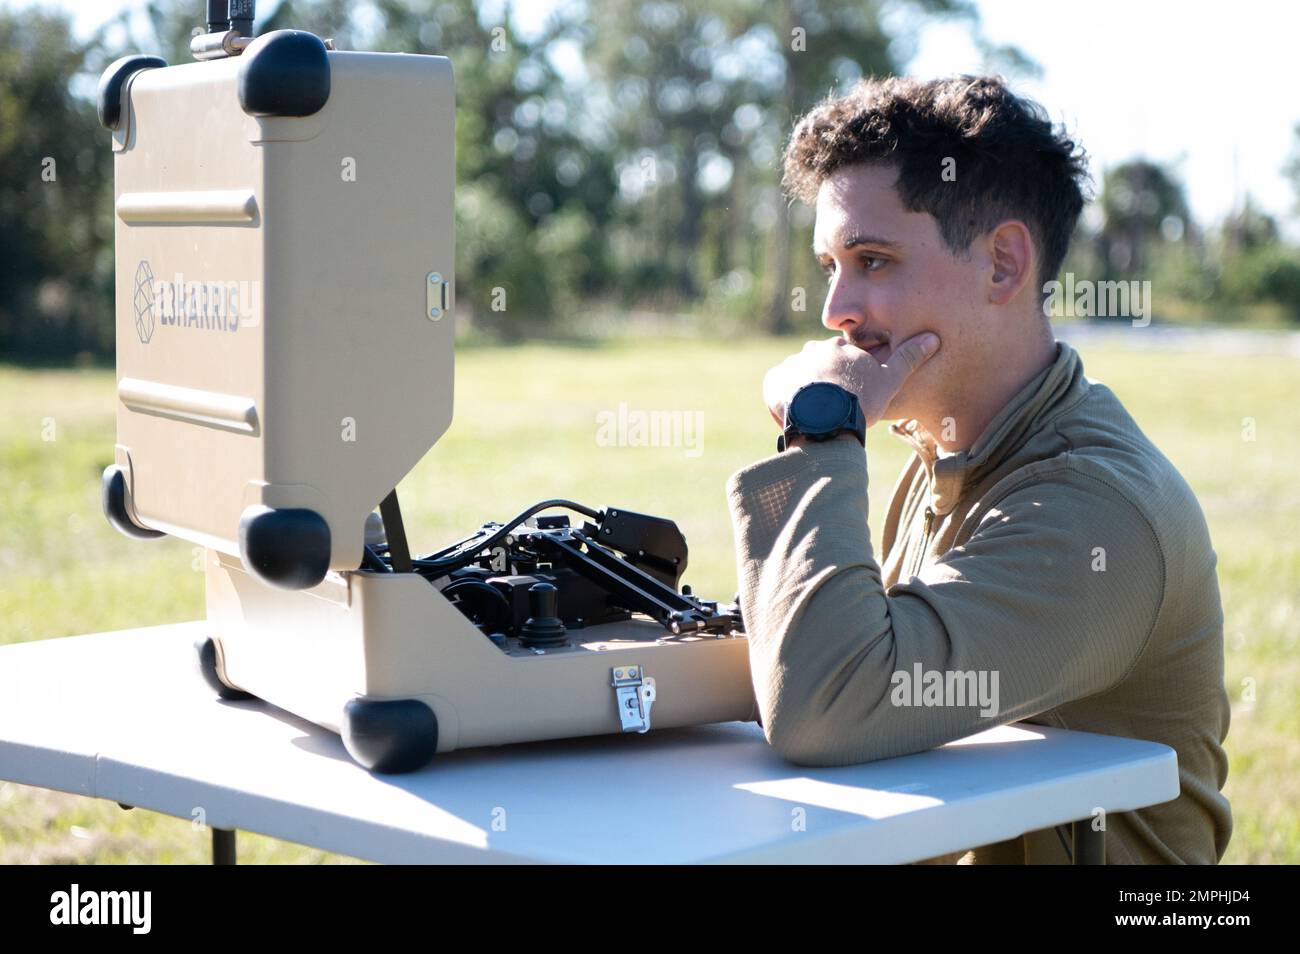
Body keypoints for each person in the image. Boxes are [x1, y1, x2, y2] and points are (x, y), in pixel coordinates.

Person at [726, 75, 1230, 864]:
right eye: (831, 264)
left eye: (874, 260)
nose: (836, 310)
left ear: (1002, 265)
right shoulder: (939, 461)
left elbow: (826, 706)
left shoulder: (1097, 510)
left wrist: (822, 429)